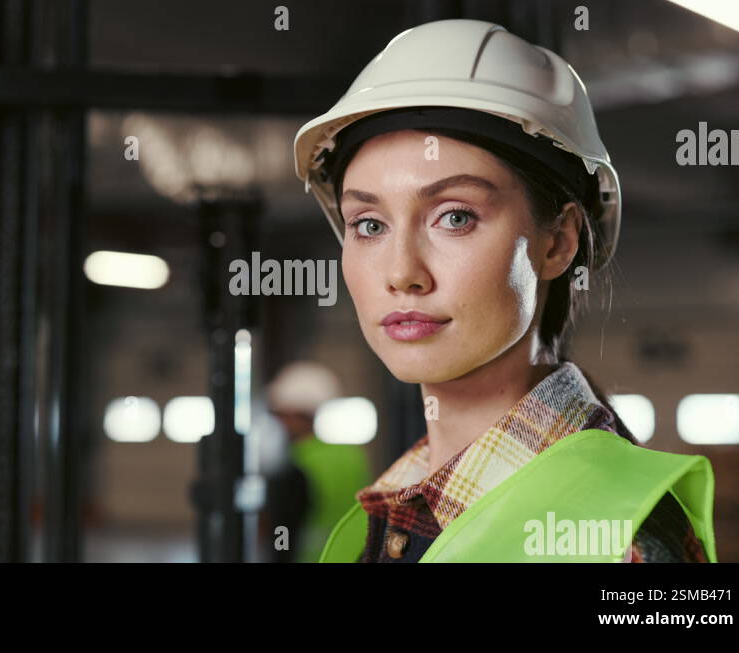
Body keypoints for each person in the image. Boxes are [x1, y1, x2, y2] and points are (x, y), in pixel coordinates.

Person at [292, 19, 717, 563]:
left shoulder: (622, 541)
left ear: (558, 242)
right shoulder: (390, 513)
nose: (401, 273)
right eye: (369, 225)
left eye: (456, 217)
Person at [262, 361, 372, 563]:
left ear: (294, 414)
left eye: (280, 415)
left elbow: (284, 529)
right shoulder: (351, 456)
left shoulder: (294, 465)